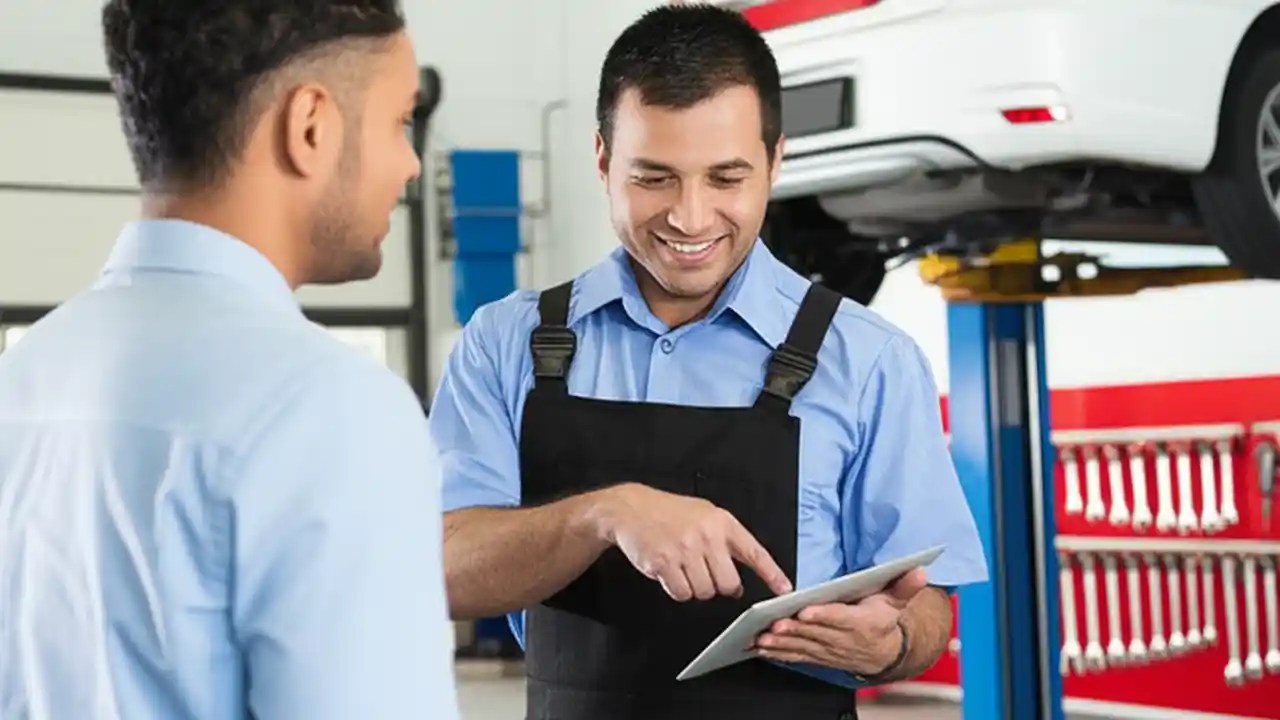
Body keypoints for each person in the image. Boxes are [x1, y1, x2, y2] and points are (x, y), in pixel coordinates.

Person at [431, 4, 988, 719]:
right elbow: (442, 572)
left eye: (726, 179)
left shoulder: (871, 362)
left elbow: (928, 615)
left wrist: (890, 644)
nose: (690, 219)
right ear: (603, 159)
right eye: (654, 178)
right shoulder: (504, 344)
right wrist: (605, 514)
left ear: (776, 161)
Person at [0, 2, 459, 719]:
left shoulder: (25, 379)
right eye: (400, 122)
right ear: (310, 127)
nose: (408, 163)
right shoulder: (331, 410)